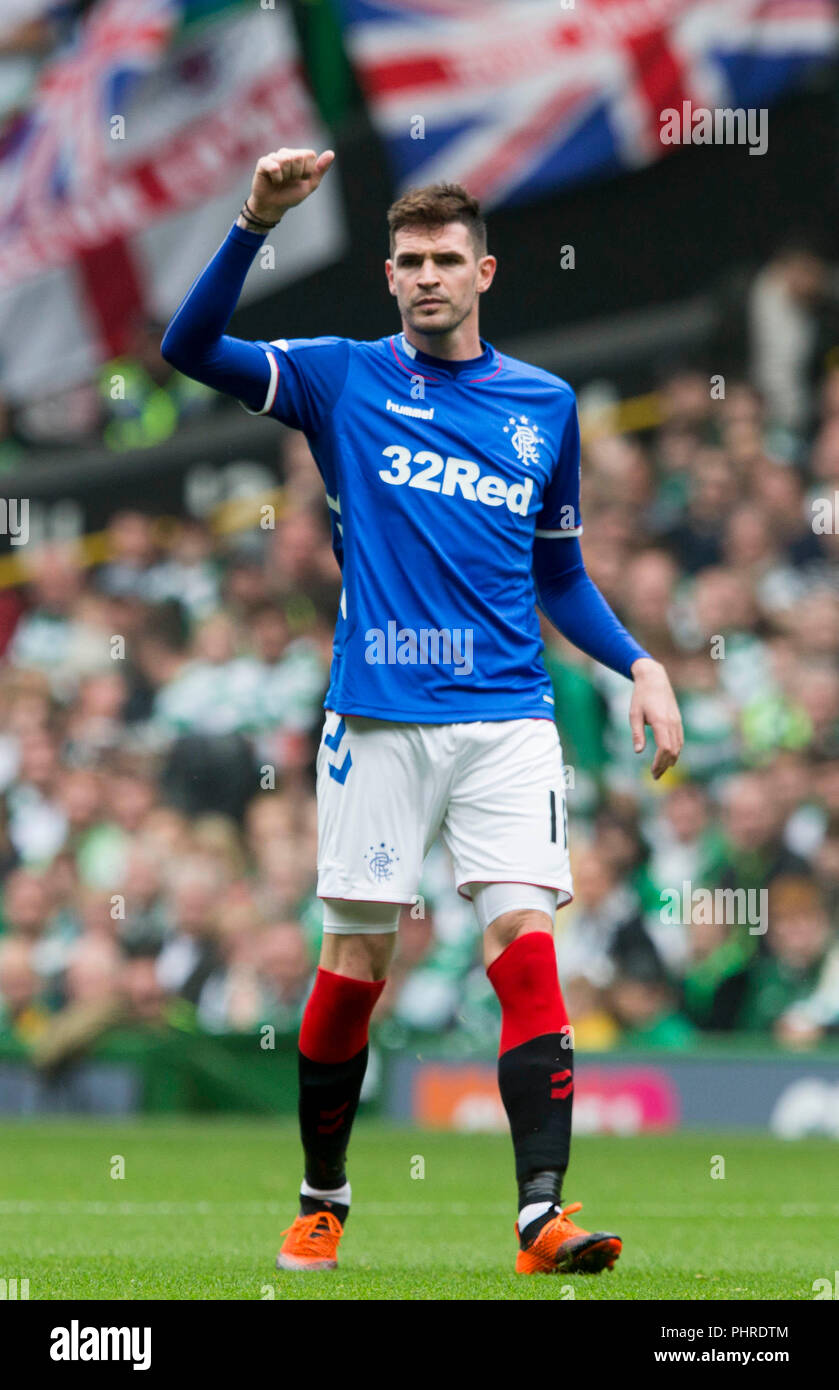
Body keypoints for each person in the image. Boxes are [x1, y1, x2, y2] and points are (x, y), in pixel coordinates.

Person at [161, 147, 684, 1277]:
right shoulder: (340, 378)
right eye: (408, 261)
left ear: (485, 271)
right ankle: (322, 1195)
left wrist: (636, 663)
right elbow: (186, 348)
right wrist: (252, 220)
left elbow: (559, 576)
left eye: (448, 258)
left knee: (526, 943)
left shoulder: (543, 406)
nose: (427, 275)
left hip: (506, 717)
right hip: (378, 717)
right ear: (388, 276)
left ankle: (539, 1217)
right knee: (354, 964)